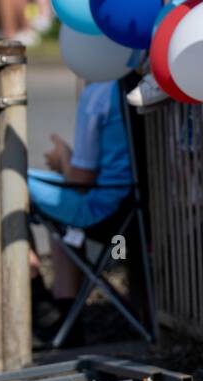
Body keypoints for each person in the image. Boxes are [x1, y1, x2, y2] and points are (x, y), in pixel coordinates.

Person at [28, 80, 133, 340]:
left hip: (102, 209)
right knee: (59, 213)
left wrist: (63, 157)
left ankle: (36, 294)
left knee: (9, 181)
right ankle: (64, 313)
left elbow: (81, 179)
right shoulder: (137, 83)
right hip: (135, 204)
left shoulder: (99, 93)